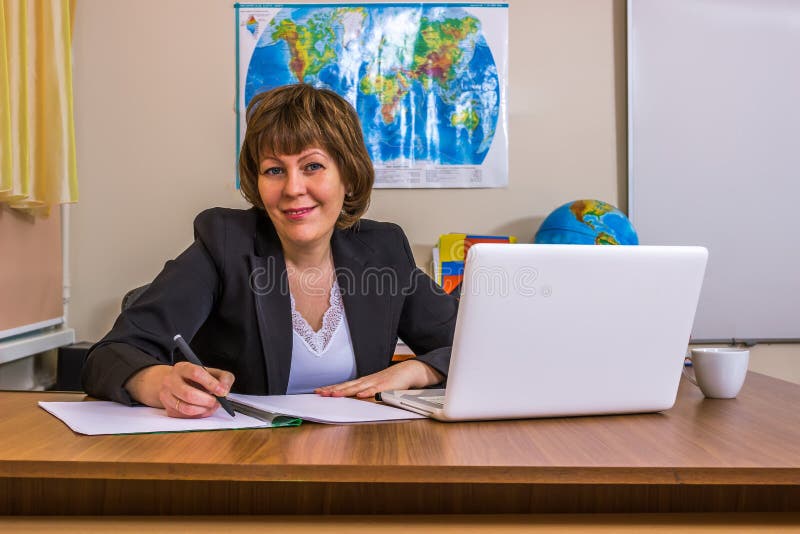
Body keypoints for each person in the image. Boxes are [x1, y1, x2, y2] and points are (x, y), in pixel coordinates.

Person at [81, 84, 458, 418]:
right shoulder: (224, 244)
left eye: (312, 166)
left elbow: (473, 345)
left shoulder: (383, 250)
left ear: (348, 175)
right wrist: (159, 382)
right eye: (274, 170)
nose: (293, 188)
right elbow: (111, 354)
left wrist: (420, 370)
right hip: (247, 458)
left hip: (358, 457)